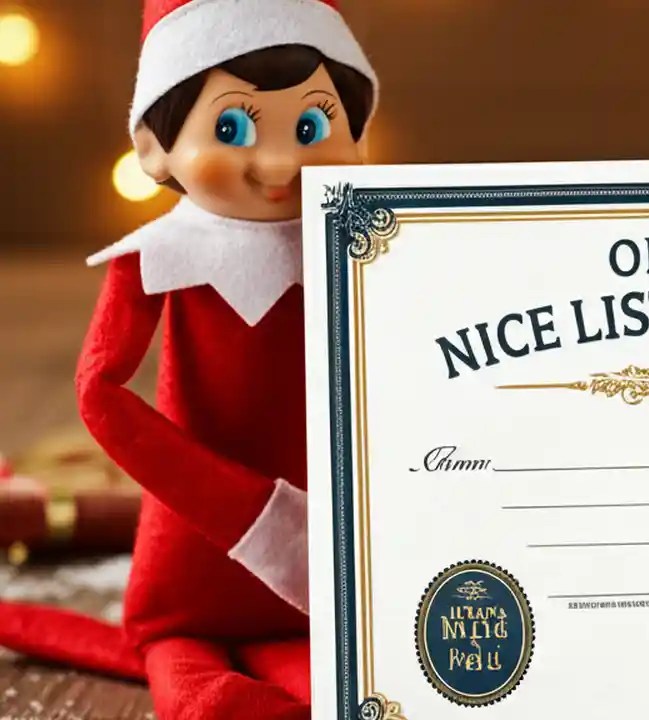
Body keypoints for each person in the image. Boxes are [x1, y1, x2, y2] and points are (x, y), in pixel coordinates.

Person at [0, 1, 377, 717]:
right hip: (196, 540)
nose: (279, 161)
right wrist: (243, 510)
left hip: (334, 555)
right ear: (152, 148)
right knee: (183, 645)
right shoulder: (158, 258)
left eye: (311, 126)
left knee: (336, 669)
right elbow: (100, 394)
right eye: (231, 127)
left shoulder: (367, 241)